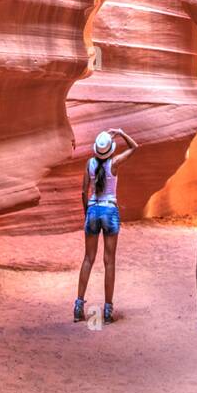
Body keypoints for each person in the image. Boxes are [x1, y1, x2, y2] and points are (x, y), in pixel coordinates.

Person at [73, 127, 138, 324]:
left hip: (93, 210)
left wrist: (88, 213)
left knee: (88, 259)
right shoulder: (114, 163)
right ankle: (108, 310)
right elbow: (134, 147)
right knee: (109, 261)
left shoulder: (89, 164)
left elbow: (84, 192)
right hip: (110, 211)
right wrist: (120, 132)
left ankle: (78, 305)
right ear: (110, 149)